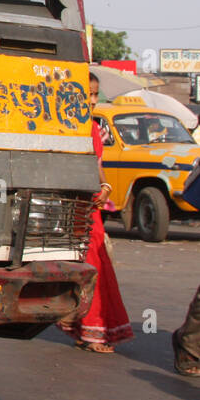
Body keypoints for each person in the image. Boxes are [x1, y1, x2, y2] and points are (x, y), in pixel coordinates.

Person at [58, 75, 133, 353]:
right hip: (73, 208)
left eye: (95, 94)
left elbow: (98, 166)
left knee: (96, 266)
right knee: (90, 268)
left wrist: (105, 186)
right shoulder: (65, 128)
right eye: (87, 94)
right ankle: (92, 332)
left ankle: (90, 330)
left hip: (91, 210)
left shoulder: (92, 128)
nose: (91, 100)